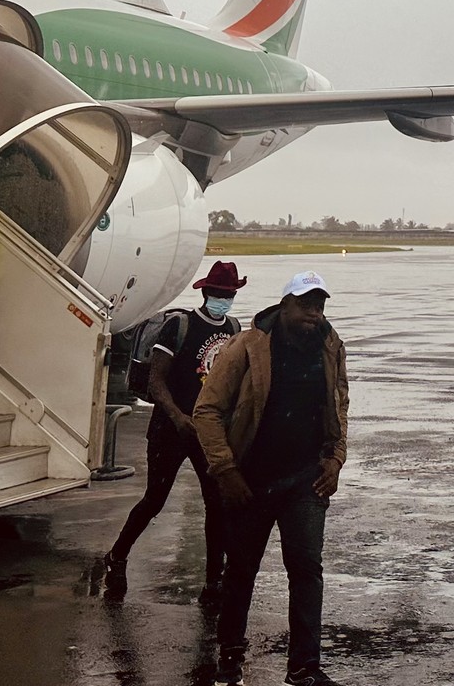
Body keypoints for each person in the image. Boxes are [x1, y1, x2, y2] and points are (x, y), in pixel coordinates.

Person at [195, 270, 349, 686]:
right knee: (241, 570)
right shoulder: (246, 346)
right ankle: (230, 653)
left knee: (306, 569)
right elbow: (206, 411)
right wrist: (225, 470)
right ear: (284, 306)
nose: (313, 314)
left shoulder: (331, 347)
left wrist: (336, 459)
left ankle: (304, 667)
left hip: (306, 481)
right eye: (305, 305)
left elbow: (340, 406)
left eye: (319, 306)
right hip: (251, 479)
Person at [103, 260, 248, 603]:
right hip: (171, 429)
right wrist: (177, 416)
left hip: (208, 432)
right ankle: (117, 556)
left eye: (228, 295)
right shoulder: (180, 326)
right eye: (218, 293)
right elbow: (157, 379)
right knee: (155, 499)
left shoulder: (233, 328)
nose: (222, 300)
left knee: (216, 503)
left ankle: (213, 582)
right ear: (205, 292)